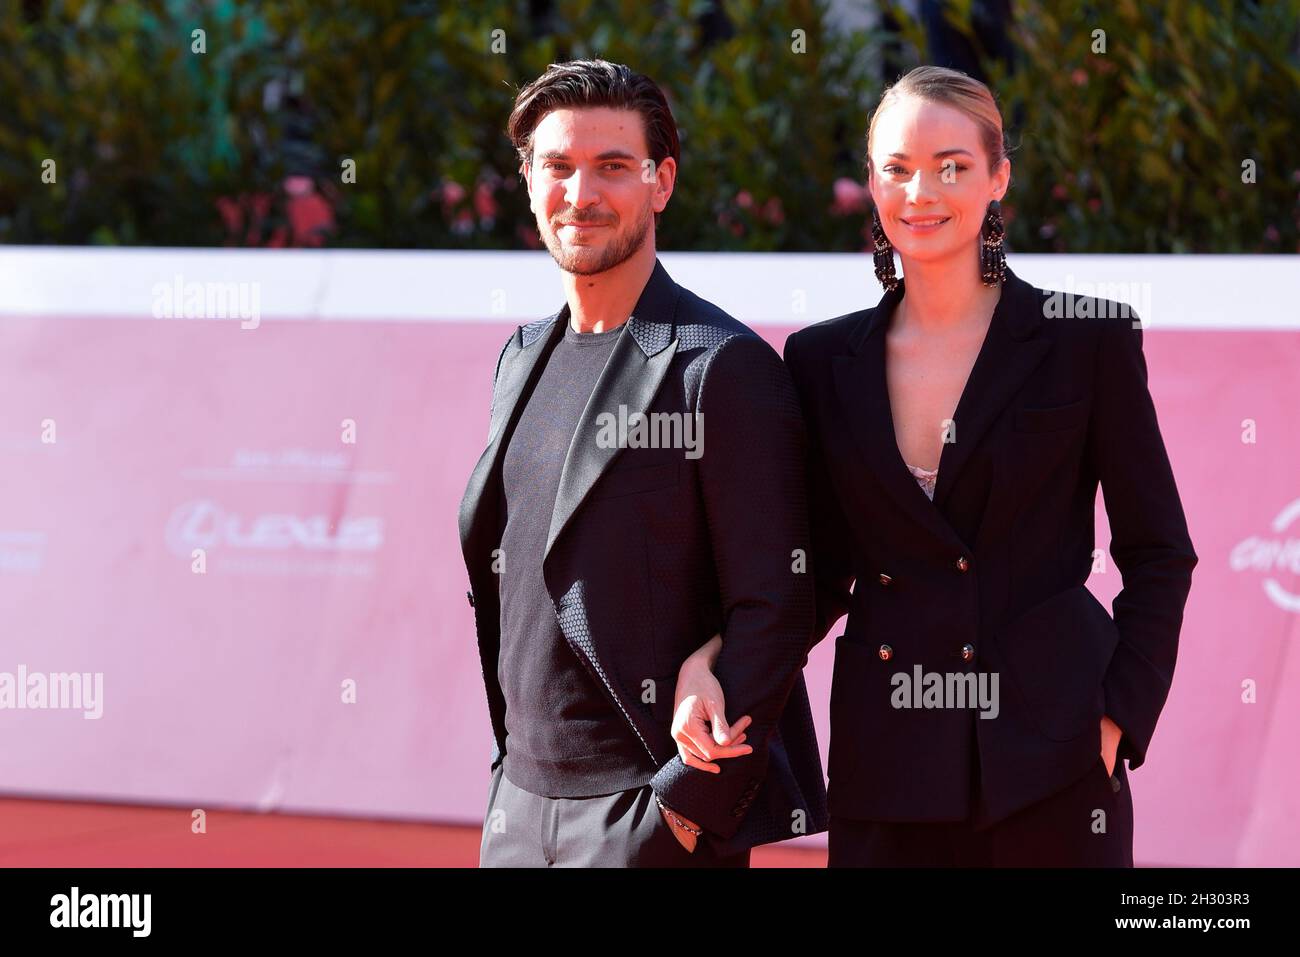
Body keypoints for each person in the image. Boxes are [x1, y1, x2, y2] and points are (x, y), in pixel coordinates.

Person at [675, 65, 1197, 866]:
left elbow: (1160, 551)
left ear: (998, 178)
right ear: (874, 187)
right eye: (898, 169)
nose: (922, 191)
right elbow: (812, 571)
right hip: (888, 759)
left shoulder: (1085, 339)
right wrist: (711, 657)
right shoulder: (821, 361)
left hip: (1052, 758)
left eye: (952, 165)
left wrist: (1117, 718)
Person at [457, 59, 828, 867]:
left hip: (644, 817)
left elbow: (778, 605)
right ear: (528, 182)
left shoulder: (719, 366)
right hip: (515, 809)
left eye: (613, 167)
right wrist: (505, 783)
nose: (581, 193)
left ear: (661, 183)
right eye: (557, 167)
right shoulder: (519, 357)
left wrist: (686, 811)